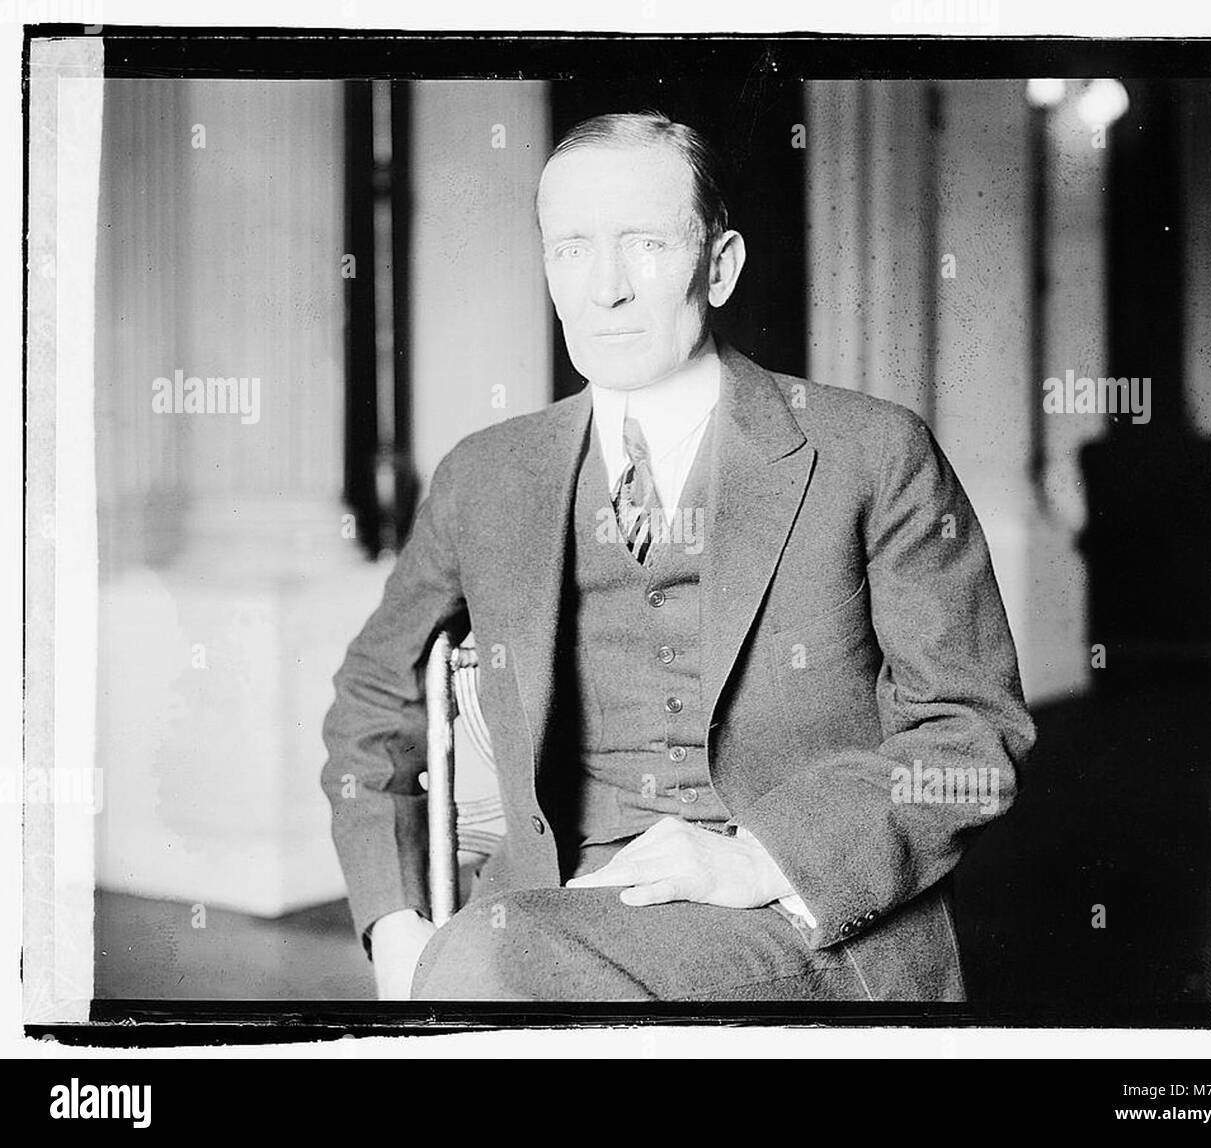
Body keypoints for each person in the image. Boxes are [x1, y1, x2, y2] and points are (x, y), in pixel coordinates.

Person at [321, 111, 1036, 1001]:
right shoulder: (487, 474)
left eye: (647, 244)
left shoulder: (870, 452)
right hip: (546, 917)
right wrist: (393, 928)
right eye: (572, 249)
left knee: (481, 975)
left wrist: (758, 858)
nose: (606, 288)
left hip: (789, 930)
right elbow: (371, 702)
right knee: (488, 963)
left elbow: (971, 733)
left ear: (722, 265)